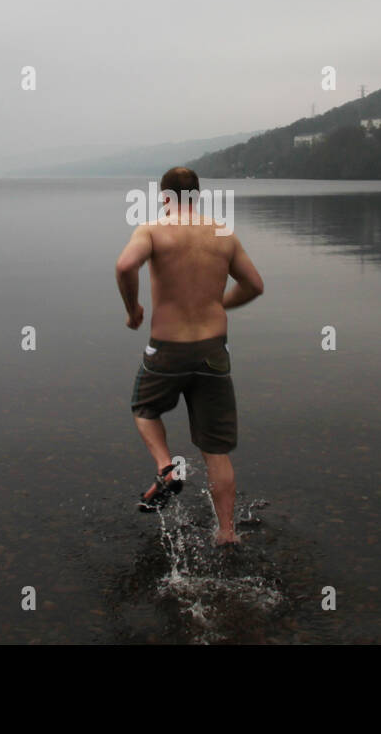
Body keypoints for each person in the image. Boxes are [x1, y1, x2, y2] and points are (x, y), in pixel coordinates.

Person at [114, 167, 264, 545]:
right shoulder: (223, 233)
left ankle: (166, 467)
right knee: (215, 449)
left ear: (164, 197)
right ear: (197, 197)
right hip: (214, 350)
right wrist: (219, 302)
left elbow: (124, 265)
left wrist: (133, 310)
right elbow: (255, 285)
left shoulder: (151, 231)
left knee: (144, 408)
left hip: (168, 349)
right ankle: (227, 532)